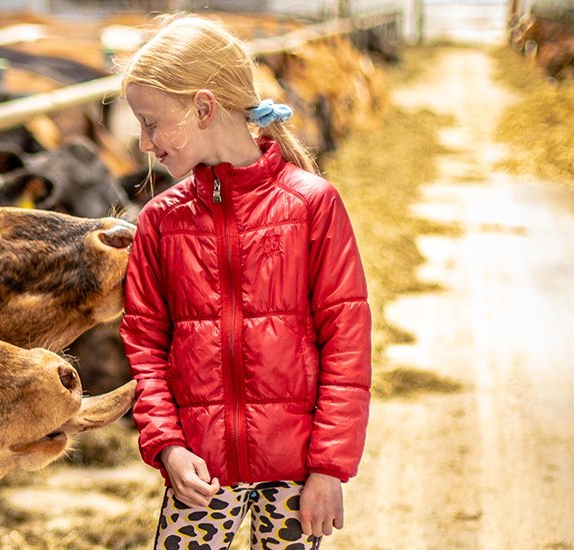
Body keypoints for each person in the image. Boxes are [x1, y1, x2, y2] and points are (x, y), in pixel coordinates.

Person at [117, 13, 372, 549]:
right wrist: (166, 445)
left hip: (295, 476)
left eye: (151, 122)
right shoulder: (160, 222)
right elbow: (144, 344)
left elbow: (347, 346)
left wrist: (329, 468)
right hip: (199, 477)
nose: (144, 142)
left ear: (204, 107)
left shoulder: (311, 204)